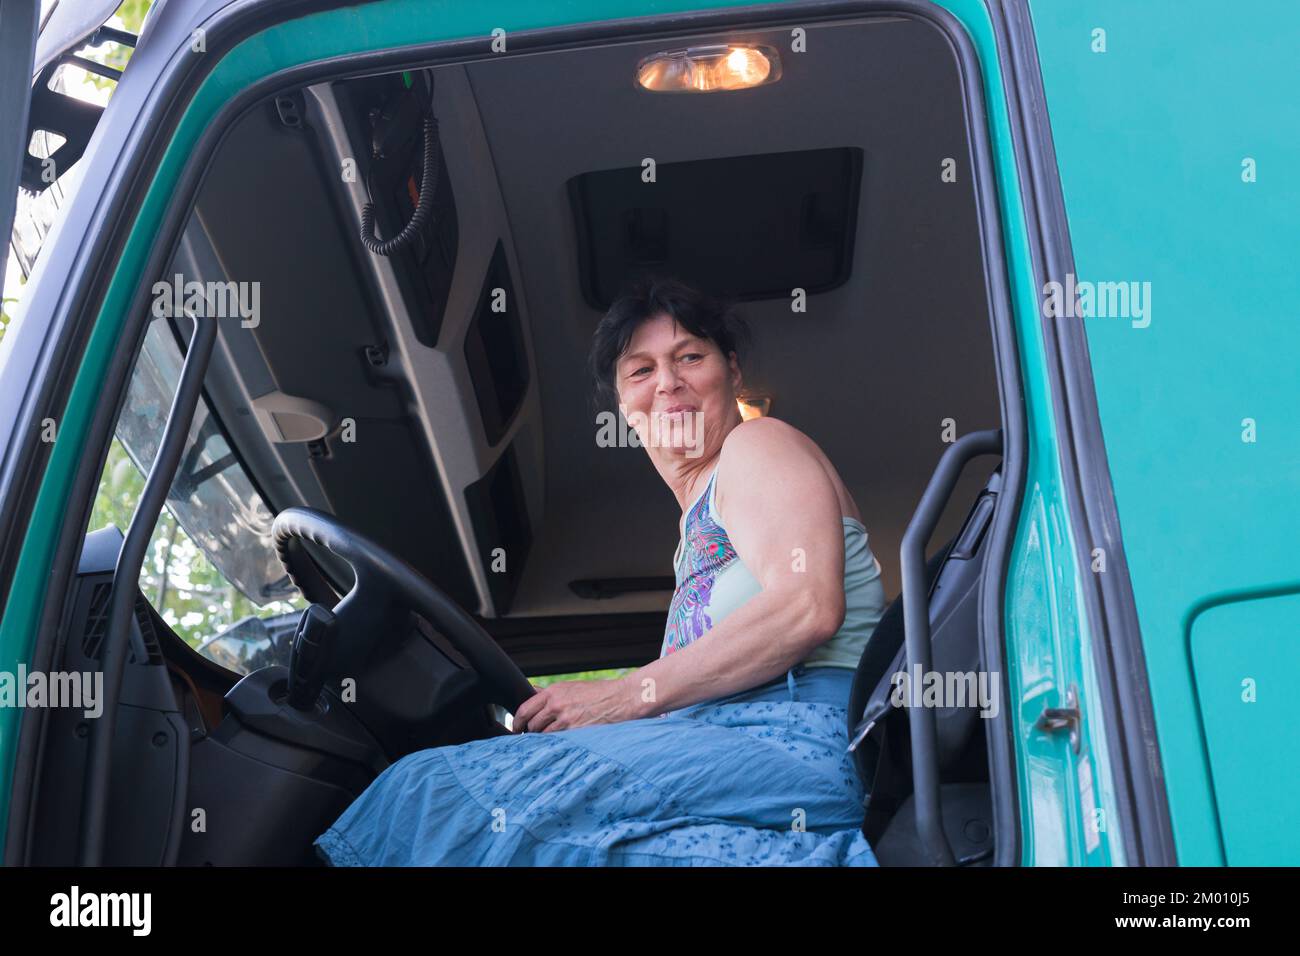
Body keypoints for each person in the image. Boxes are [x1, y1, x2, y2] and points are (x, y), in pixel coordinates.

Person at [314, 277, 888, 865]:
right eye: (641, 370)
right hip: (732, 750)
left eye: (690, 357)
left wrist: (620, 696)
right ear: (622, 406)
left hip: (799, 742)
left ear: (733, 372)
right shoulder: (693, 535)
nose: (668, 381)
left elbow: (806, 607)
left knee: (431, 790)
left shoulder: (758, 444)